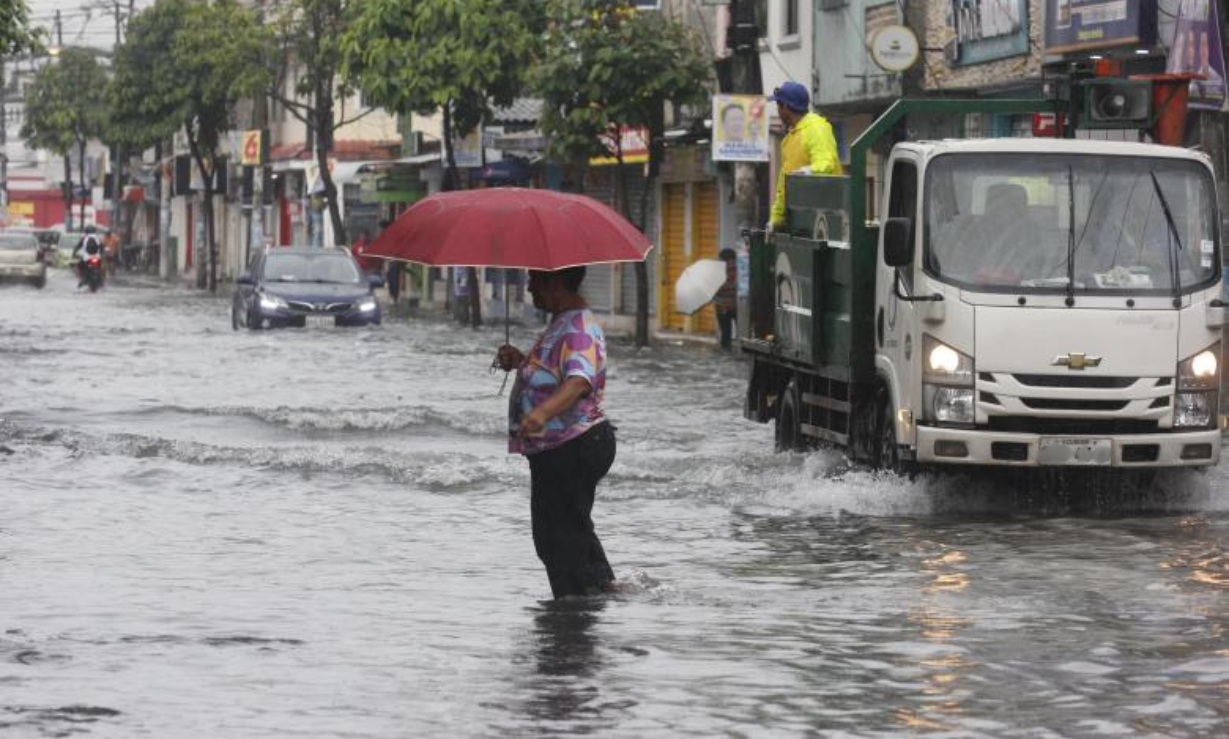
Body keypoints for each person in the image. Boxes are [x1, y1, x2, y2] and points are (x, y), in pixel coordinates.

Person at [494, 266, 617, 599]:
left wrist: (540, 414)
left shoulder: (578, 327)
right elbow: (552, 373)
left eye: (535, 280)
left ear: (557, 283)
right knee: (567, 530)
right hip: (559, 447)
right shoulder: (559, 324)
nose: (530, 288)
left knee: (557, 537)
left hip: (574, 445)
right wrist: (520, 362)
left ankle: (573, 618)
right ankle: (600, 592)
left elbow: (579, 382)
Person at [767, 81, 843, 232]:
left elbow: (826, 162)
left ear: (786, 107)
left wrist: (808, 172)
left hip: (826, 221)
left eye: (778, 106)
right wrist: (775, 219)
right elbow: (784, 185)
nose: (777, 111)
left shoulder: (816, 128)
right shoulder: (791, 137)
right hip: (802, 222)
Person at [713, 248, 738, 350]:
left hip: (736, 307)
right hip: (723, 308)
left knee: (740, 334)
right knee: (726, 334)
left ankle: (728, 353)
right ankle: (726, 353)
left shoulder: (740, 269)